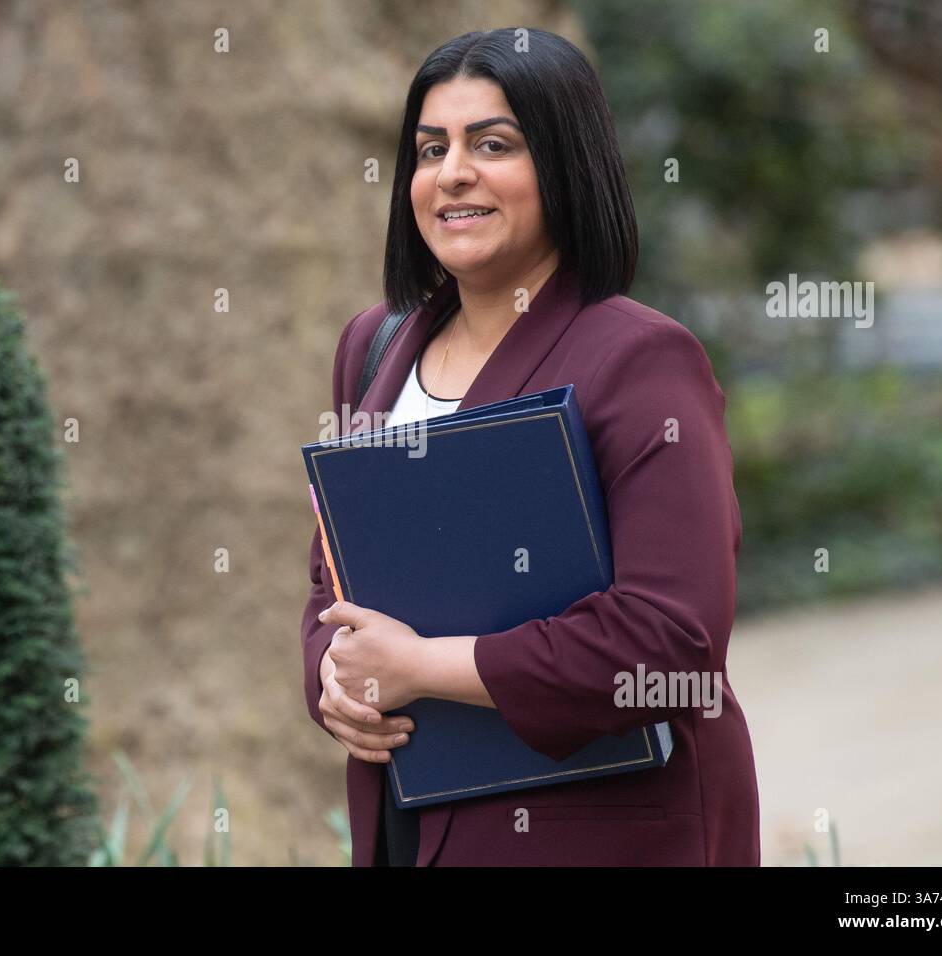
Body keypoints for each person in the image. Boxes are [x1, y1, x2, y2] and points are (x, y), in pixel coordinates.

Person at [299, 27, 759, 866]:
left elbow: (672, 637)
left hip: (595, 832)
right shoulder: (372, 346)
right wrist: (332, 675)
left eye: (494, 144)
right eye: (430, 148)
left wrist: (425, 666)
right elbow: (334, 576)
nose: (453, 172)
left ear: (566, 164)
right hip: (410, 823)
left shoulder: (638, 360)